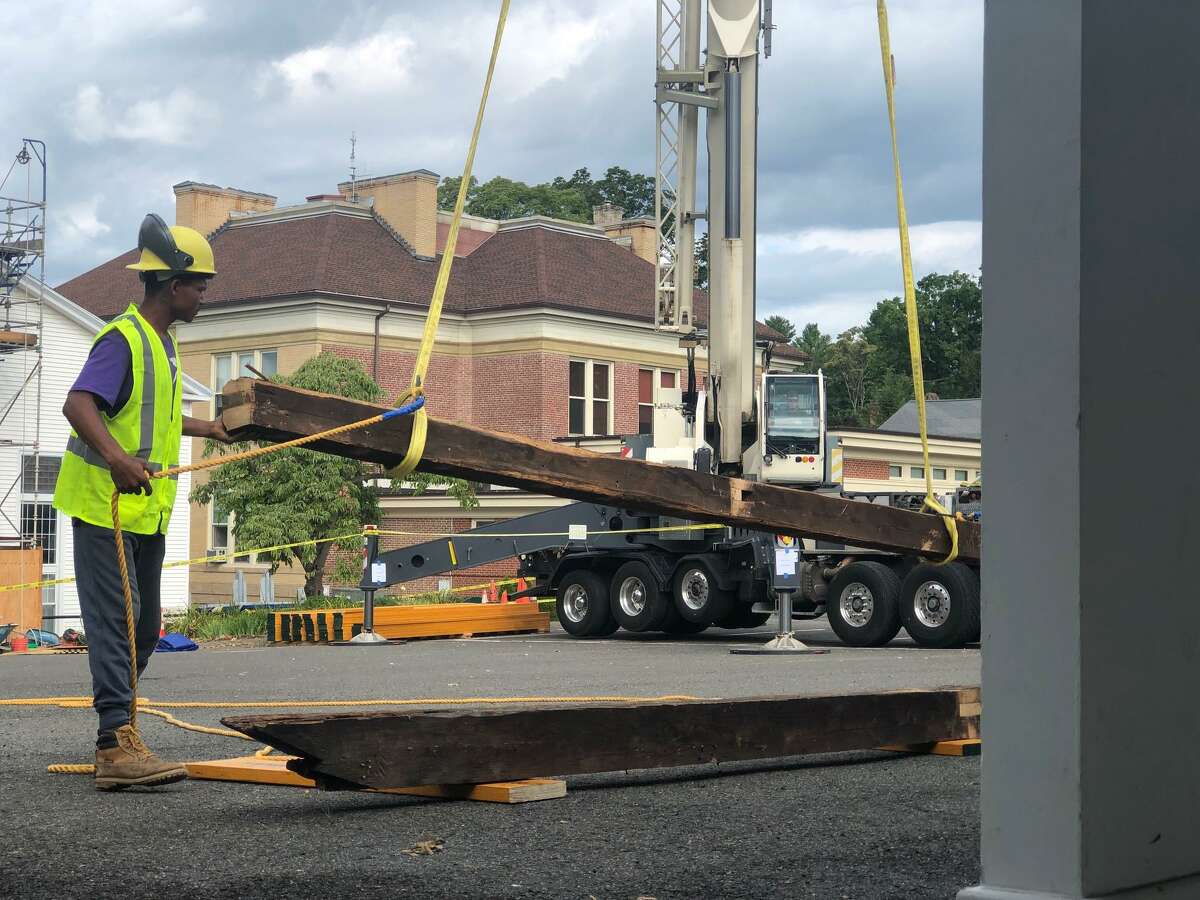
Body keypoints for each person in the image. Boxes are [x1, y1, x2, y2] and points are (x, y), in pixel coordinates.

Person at [53, 213, 233, 791]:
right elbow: (79, 404)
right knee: (116, 626)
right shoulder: (122, 338)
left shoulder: (162, 344)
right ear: (173, 286)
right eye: (200, 285)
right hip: (102, 505)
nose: (205, 295)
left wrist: (209, 429)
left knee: (147, 626)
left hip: (145, 512)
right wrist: (116, 459)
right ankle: (114, 745)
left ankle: (122, 727)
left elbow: (150, 416)